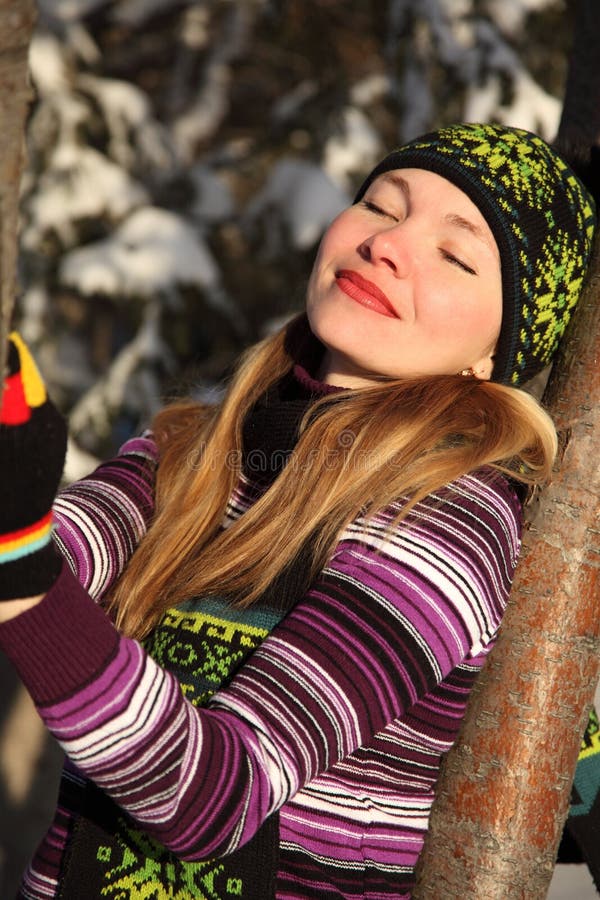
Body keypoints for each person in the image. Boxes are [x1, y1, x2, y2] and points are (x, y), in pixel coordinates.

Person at [0, 122, 595, 900]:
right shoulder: (199, 449)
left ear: (494, 352)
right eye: (382, 205)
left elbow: (210, 798)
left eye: (456, 254)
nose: (388, 244)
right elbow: (61, 547)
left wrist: (21, 559)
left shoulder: (449, 520)